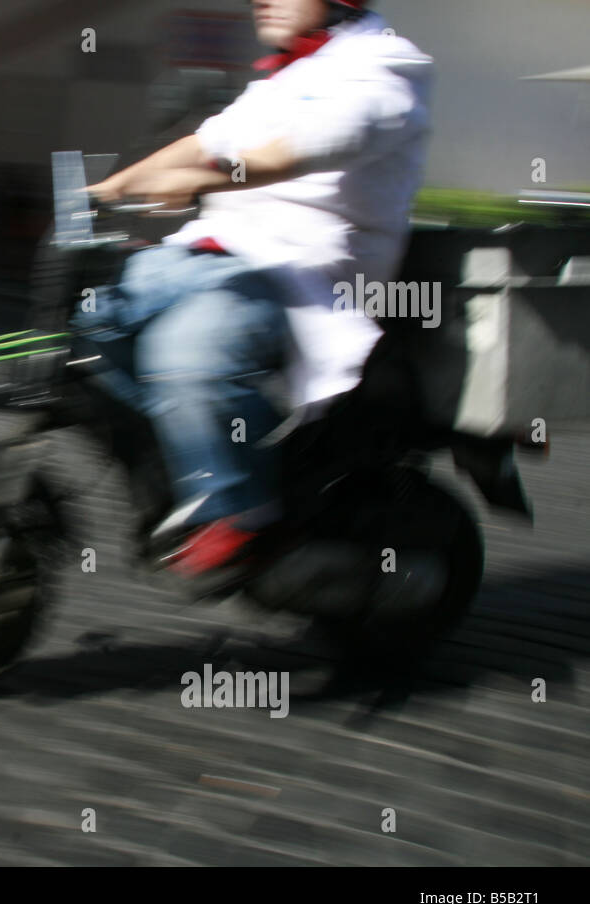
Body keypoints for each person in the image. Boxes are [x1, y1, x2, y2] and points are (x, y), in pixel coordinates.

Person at [75, 0, 433, 584]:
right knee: (95, 320)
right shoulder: (288, 75)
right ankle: (194, 461)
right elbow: (205, 142)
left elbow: (305, 150)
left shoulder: (387, 69)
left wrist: (196, 181)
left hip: (302, 275)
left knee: (185, 353)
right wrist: (109, 188)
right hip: (218, 254)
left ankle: (244, 508)